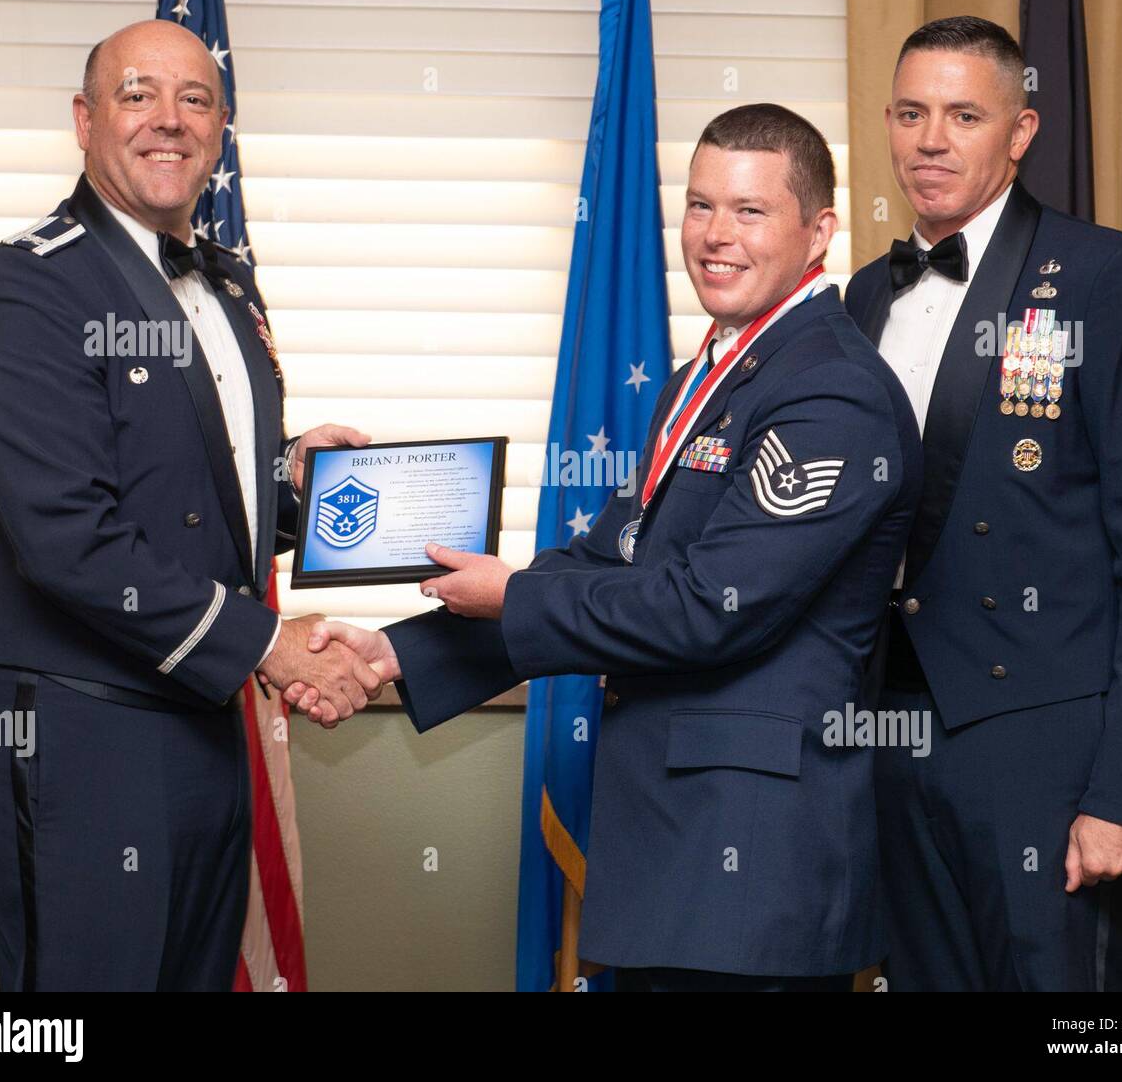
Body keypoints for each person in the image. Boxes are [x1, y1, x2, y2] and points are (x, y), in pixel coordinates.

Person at [284, 104, 924, 991]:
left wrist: (513, 594)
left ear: (819, 230)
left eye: (748, 211)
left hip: (748, 867)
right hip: (674, 860)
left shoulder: (832, 395)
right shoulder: (709, 377)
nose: (714, 236)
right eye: (700, 206)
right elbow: (605, 564)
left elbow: (709, 610)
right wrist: (394, 651)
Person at [0, 19, 380, 992]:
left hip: (198, 720)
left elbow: (191, 491)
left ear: (221, 129)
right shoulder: (30, 288)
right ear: (84, 120)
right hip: (73, 735)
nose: (168, 122)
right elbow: (68, 541)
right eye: (138, 95)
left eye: (196, 100)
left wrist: (291, 482)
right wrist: (269, 645)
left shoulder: (224, 282)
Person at [843, 16, 1122, 991]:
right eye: (913, 112)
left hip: (1044, 742)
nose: (932, 139)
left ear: (1019, 131)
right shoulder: (860, 299)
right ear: (886, 122)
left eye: (965, 114)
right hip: (889, 728)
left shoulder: (1110, 277)